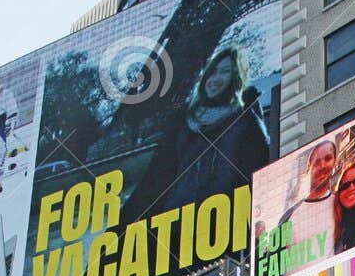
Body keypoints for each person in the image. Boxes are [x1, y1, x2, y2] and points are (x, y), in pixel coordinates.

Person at [125, 45, 270, 224]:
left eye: (224, 72)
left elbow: (259, 177)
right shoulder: (184, 122)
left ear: (237, 78)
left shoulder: (247, 122)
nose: (215, 79)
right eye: (212, 72)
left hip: (222, 227)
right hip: (175, 226)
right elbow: (157, 178)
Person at [276, 138, 339, 241]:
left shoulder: (341, 203)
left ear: (334, 162)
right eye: (317, 162)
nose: (323, 166)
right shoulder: (289, 216)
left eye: (328, 159)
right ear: (309, 168)